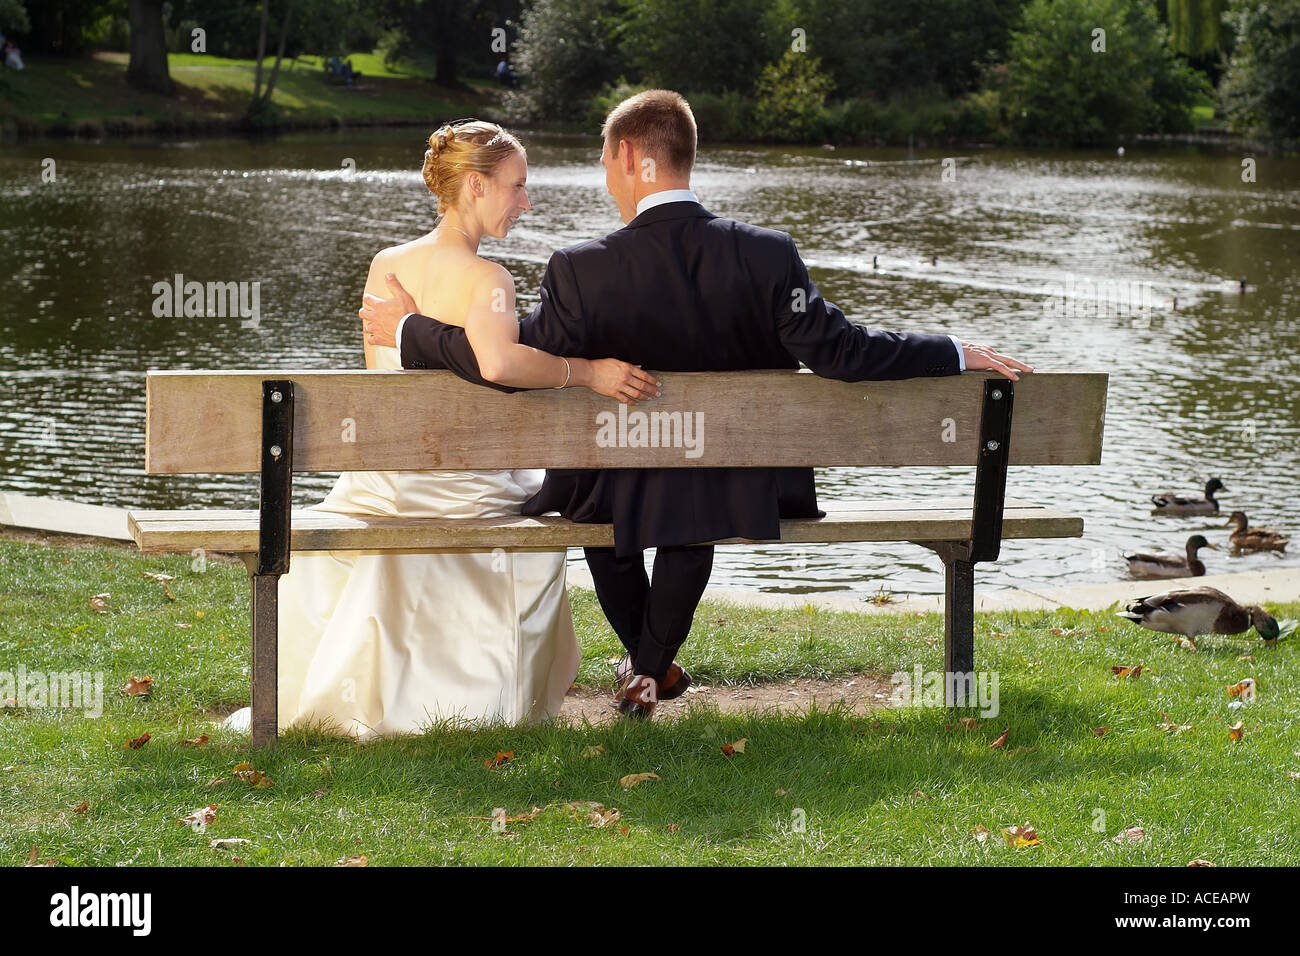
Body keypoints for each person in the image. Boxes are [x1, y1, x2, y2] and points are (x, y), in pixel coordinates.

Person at [360, 90, 1031, 721]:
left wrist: (413, 331)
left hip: (613, 486)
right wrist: (951, 350)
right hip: (738, 484)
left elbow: (505, 367)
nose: (604, 178)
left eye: (603, 162)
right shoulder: (766, 256)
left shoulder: (582, 268)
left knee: (602, 497)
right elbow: (843, 354)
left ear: (629, 156)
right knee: (694, 498)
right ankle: (650, 668)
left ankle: (649, 665)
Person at [223, 121, 657, 740]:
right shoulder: (489, 281)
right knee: (538, 505)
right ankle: (482, 702)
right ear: (476, 186)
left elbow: (381, 380)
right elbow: (500, 365)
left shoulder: (387, 266)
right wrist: (585, 371)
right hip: (462, 489)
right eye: (518, 186)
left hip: (384, 481)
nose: (527, 201)